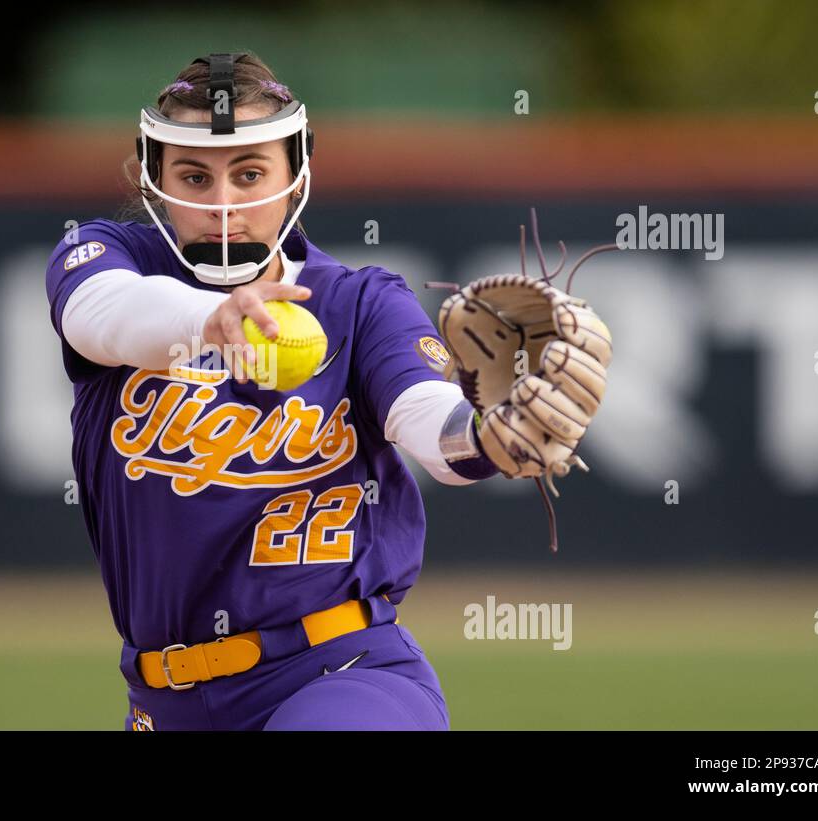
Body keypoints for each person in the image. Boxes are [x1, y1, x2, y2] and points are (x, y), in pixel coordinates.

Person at [44, 52, 499, 731]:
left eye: (250, 173)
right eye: (194, 176)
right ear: (154, 181)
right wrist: (209, 317)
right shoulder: (111, 259)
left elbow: (432, 424)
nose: (224, 204)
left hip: (341, 672)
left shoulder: (359, 301)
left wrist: (492, 434)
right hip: (162, 702)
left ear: (296, 178)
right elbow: (99, 315)